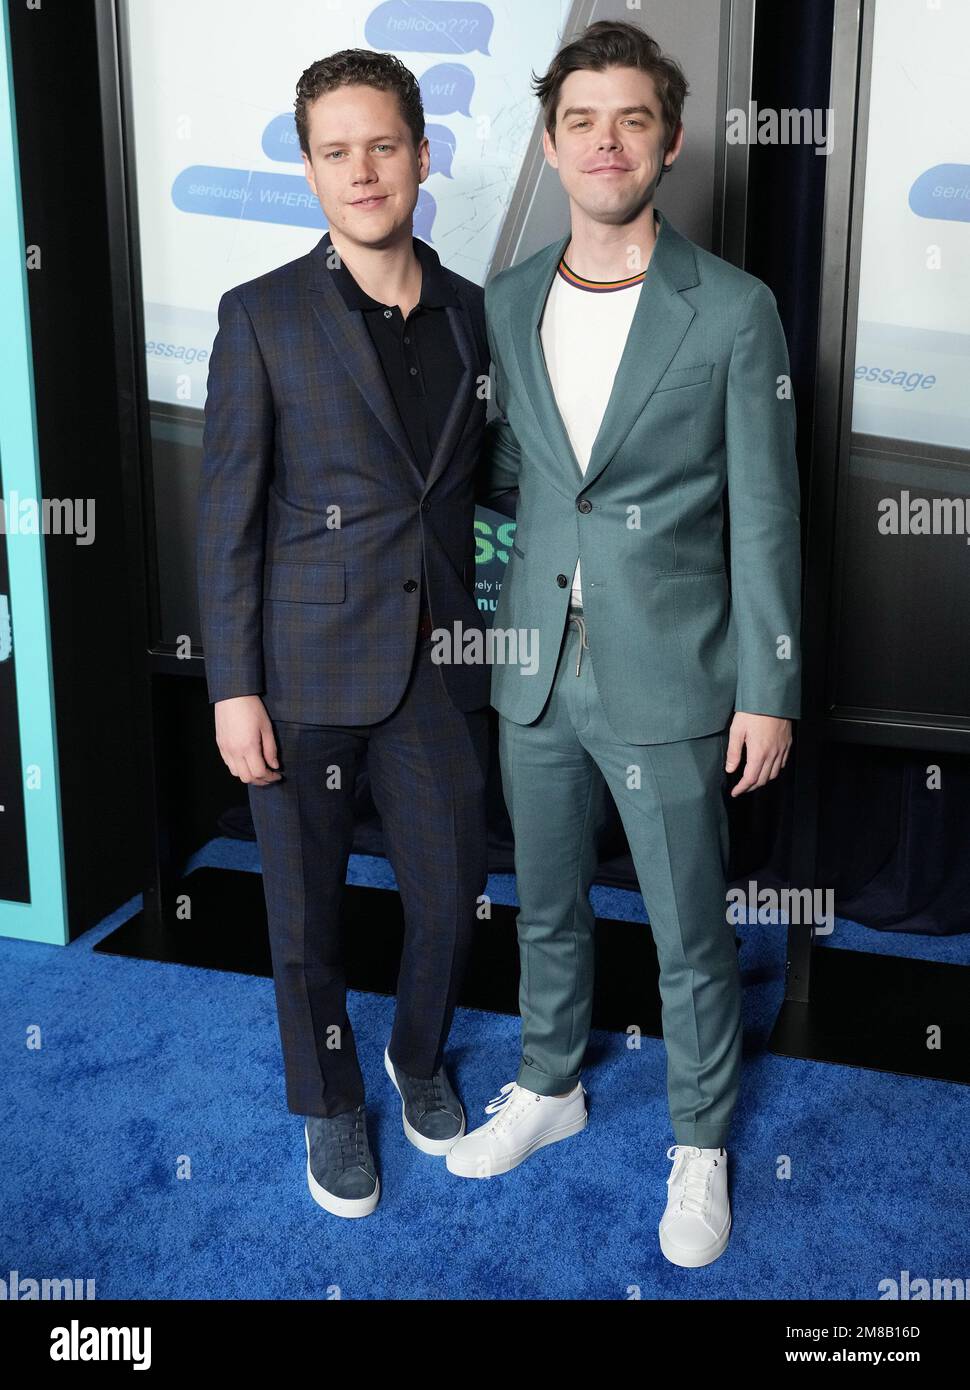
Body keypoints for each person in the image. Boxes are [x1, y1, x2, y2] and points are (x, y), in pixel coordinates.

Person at [455, 20, 802, 1269]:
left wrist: (768, 686)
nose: (608, 142)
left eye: (633, 120)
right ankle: (552, 1084)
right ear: (550, 146)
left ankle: (700, 1140)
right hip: (534, 668)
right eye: (583, 120)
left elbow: (765, 510)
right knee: (543, 904)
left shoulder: (734, 309)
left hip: (673, 673)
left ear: (668, 141)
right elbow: (509, 478)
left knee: (687, 931)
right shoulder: (502, 302)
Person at [196, 49, 491, 1218]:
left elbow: (491, 483)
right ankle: (328, 1100)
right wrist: (233, 687)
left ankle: (413, 1055)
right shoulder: (259, 316)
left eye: (384, 145)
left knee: (452, 890)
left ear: (423, 154)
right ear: (310, 170)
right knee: (305, 914)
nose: (363, 171)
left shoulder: (475, 311)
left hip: (442, 668)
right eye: (336, 151)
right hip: (303, 669)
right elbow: (227, 516)